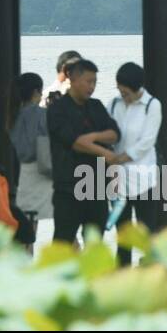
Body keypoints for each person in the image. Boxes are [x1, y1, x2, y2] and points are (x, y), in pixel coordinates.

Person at [45, 59, 120, 245]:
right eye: (88, 81)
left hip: (96, 187)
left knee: (94, 244)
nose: (92, 86)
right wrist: (106, 154)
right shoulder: (57, 109)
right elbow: (74, 142)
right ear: (73, 79)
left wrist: (92, 137)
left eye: (94, 82)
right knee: (63, 243)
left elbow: (114, 134)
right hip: (68, 187)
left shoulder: (96, 106)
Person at [107, 62, 163, 265]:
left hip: (143, 179)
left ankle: (150, 271)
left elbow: (147, 142)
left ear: (138, 88)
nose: (124, 97)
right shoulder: (114, 104)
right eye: (120, 91)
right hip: (116, 180)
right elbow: (107, 132)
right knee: (122, 233)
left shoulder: (152, 105)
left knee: (146, 231)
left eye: (127, 92)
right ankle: (121, 272)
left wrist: (119, 158)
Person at [9, 72, 52, 243]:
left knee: (24, 230)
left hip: (17, 176)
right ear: (36, 92)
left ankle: (24, 265)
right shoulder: (43, 114)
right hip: (39, 174)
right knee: (64, 228)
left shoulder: (11, 115)